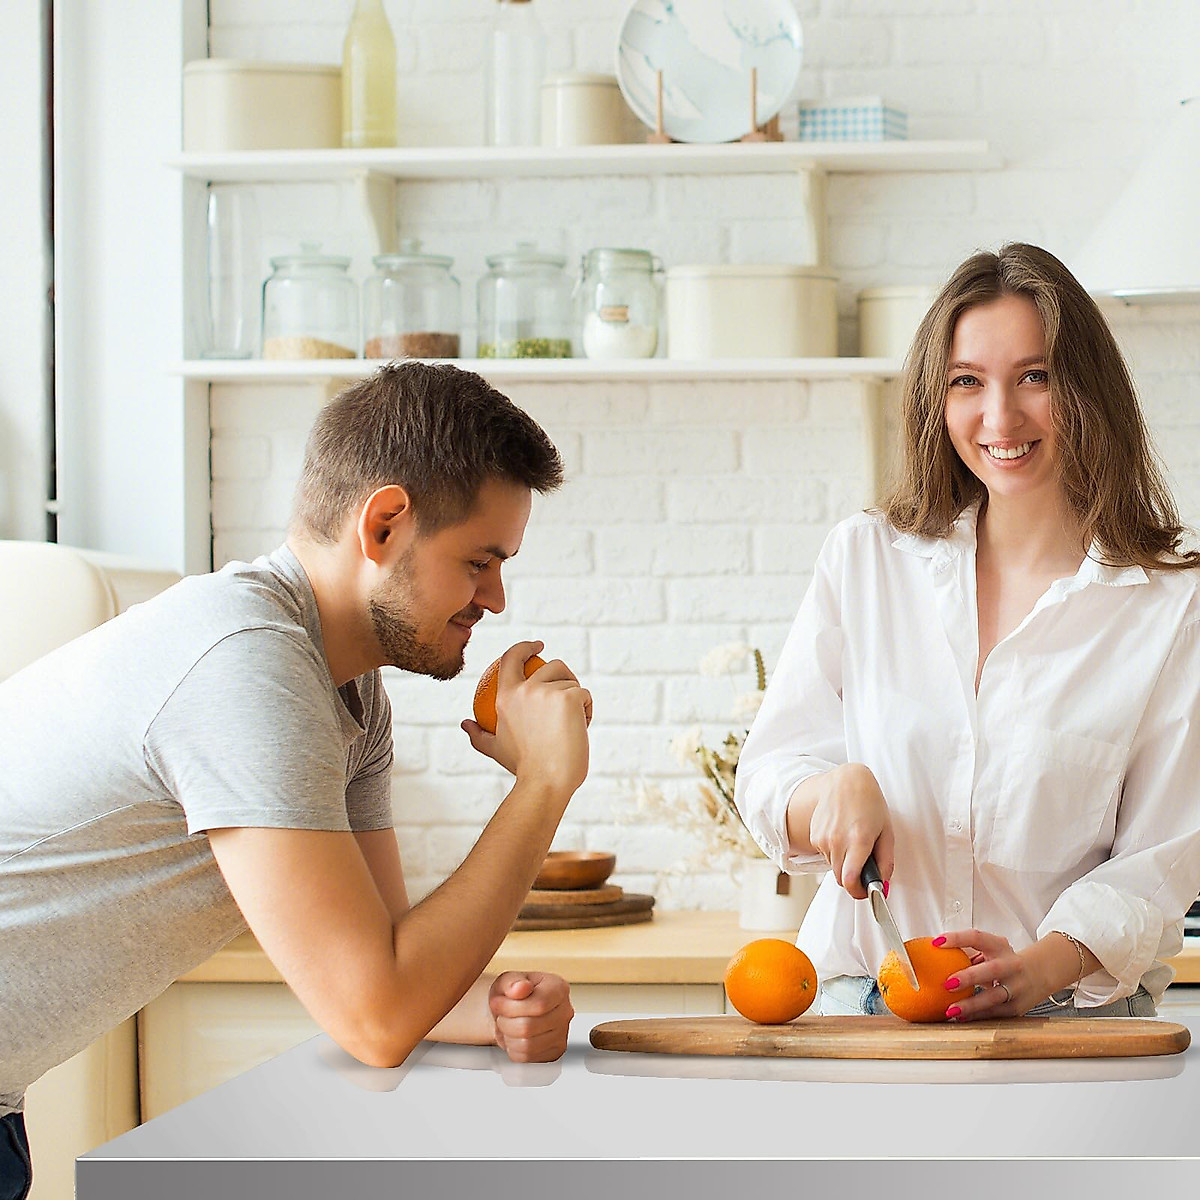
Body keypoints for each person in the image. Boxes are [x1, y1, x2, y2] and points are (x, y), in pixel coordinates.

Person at [0, 362, 592, 1198]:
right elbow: (379, 1016)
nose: (496, 598)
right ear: (383, 524)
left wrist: (492, 1006)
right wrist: (544, 785)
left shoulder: (346, 690)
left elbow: (383, 964)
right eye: (479, 561)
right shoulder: (244, 663)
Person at [735, 242, 1200, 1021]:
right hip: (860, 1007)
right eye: (967, 382)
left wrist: (1038, 969)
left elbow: (1162, 856)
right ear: (936, 398)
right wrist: (831, 794)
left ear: (1088, 390)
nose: (1000, 417)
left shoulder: (1169, 604)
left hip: (1065, 1019)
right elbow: (769, 774)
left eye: (1036, 377)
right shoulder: (868, 558)